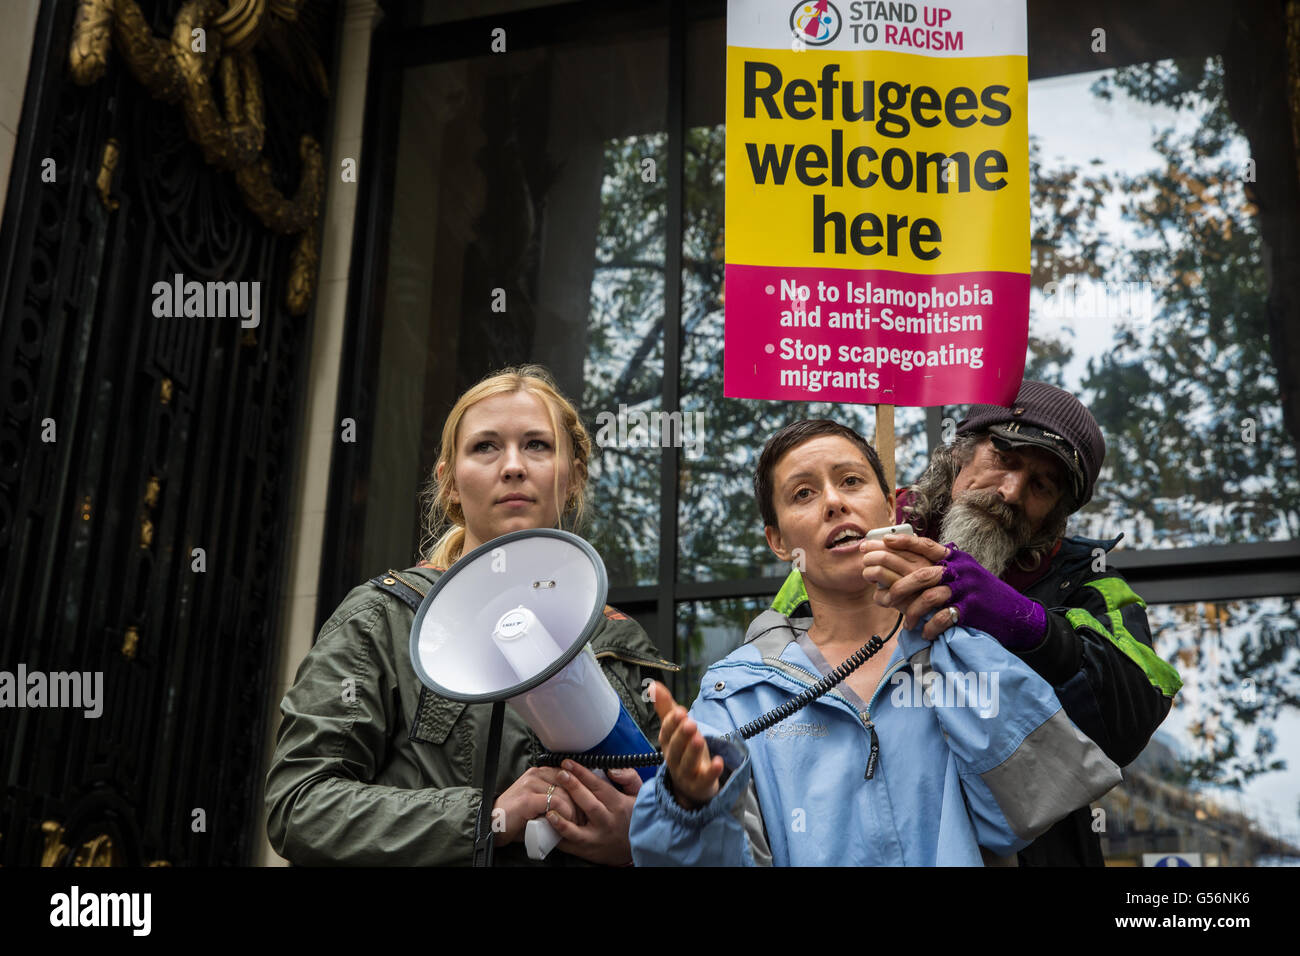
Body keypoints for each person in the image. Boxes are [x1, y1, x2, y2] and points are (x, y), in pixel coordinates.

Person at [628, 419, 1122, 866]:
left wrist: (957, 638)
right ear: (778, 542)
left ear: (889, 507)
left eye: (851, 481)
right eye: (803, 493)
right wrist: (691, 803)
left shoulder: (957, 647)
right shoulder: (733, 695)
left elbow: (1028, 807)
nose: (834, 502)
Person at [265, 365, 676, 865]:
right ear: (450, 484)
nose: (513, 466)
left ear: (572, 478)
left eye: (537, 445)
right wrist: (486, 817)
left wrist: (642, 838)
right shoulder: (384, 618)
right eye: (485, 446)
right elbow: (300, 805)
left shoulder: (624, 641)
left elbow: (691, 822)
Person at [857, 380, 1182, 865]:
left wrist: (1027, 624)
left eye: (1041, 485)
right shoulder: (864, 545)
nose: (1011, 492)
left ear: (1055, 515)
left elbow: (1132, 715)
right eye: (1003, 459)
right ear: (959, 457)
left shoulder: (1091, 584)